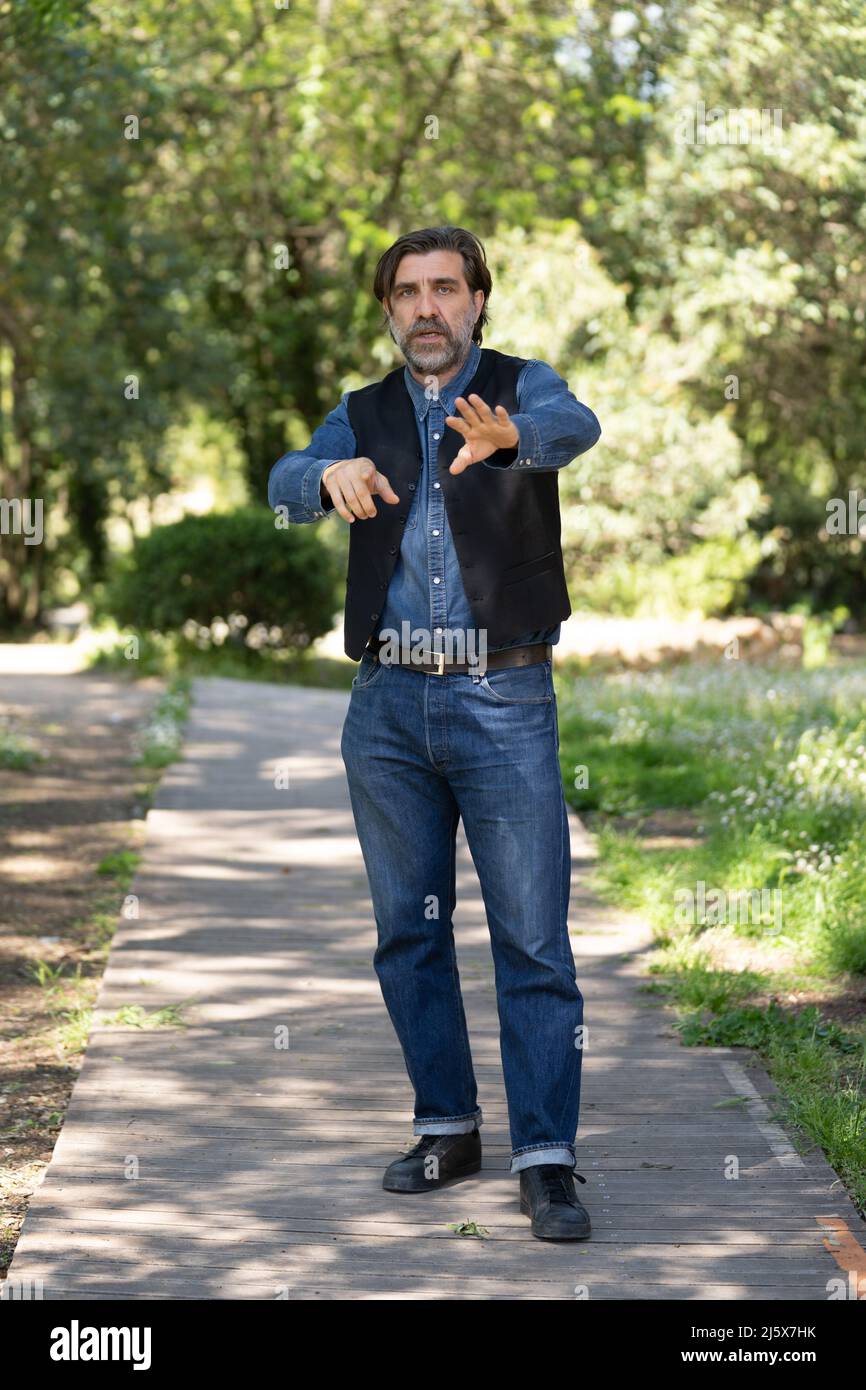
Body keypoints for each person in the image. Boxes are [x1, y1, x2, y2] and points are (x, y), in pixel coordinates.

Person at [268, 225, 601, 1240]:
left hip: (503, 699)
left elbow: (573, 423)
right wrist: (321, 478)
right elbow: (283, 476)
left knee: (531, 938)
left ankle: (545, 1157)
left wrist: (511, 439)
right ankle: (445, 1126)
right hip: (387, 709)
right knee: (408, 935)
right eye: (407, 291)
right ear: (387, 309)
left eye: (444, 289)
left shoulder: (518, 385)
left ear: (477, 300)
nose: (426, 307)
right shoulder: (359, 411)